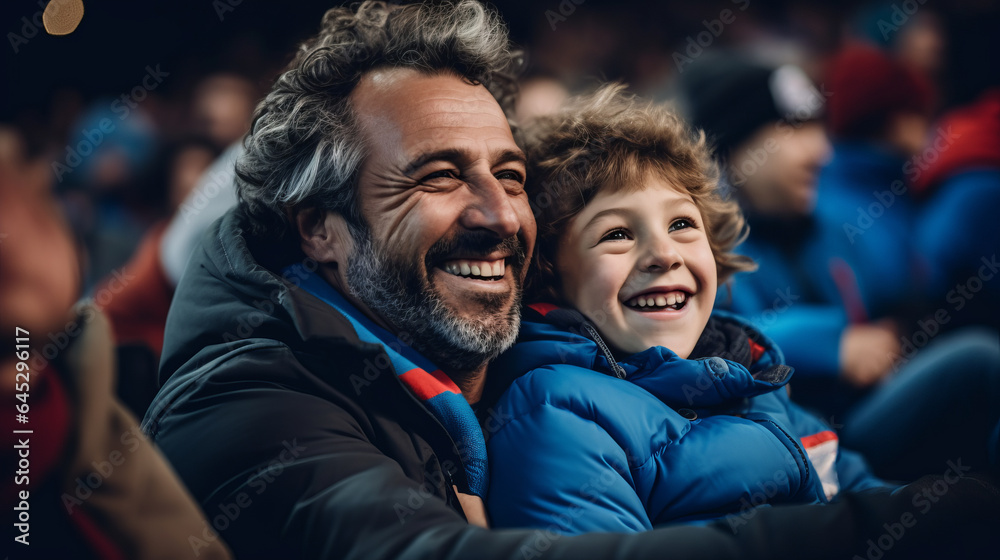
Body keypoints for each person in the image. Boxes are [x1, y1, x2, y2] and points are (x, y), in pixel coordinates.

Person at [143, 2, 998, 558]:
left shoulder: (449, 343)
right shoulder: (248, 402)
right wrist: (897, 530)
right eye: (438, 176)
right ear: (319, 228)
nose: (498, 215)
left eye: (510, 176)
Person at [484, 84, 894, 533]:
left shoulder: (753, 375)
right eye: (617, 234)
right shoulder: (553, 413)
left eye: (681, 224)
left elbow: (864, 493)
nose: (664, 254)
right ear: (548, 276)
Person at [675, 52, 1000, 481]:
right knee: (978, 359)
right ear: (734, 150)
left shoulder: (823, 226)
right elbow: (700, 342)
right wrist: (831, 345)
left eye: (817, 129)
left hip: (855, 417)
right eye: (792, 129)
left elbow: (903, 290)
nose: (820, 151)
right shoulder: (696, 242)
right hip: (792, 445)